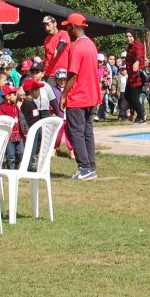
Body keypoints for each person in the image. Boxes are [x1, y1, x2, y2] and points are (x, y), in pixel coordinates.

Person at [61, 13, 101, 180]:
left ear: (73, 27)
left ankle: (84, 168)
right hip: (92, 95)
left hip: (78, 96)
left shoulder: (77, 47)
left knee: (76, 132)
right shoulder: (91, 44)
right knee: (87, 132)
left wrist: (63, 94)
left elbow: (73, 74)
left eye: (67, 26)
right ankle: (91, 167)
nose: (66, 30)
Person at [0, 84, 24, 170]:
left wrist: (25, 131)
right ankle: (11, 170)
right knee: (10, 155)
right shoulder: (1, 108)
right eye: (14, 94)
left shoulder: (16, 107)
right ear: (7, 96)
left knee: (20, 152)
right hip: (9, 136)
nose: (16, 96)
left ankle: (17, 167)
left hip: (18, 135)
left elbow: (21, 119)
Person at [19, 78, 44, 170]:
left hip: (35, 130)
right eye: (37, 90)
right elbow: (22, 118)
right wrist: (26, 130)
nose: (39, 92)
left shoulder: (32, 102)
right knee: (30, 149)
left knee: (34, 149)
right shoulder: (27, 103)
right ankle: (27, 166)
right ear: (31, 91)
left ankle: (31, 164)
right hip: (30, 131)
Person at [124, 29, 147, 123]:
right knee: (127, 96)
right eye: (127, 36)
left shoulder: (138, 45)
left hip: (137, 76)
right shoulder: (129, 47)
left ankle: (142, 116)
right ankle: (140, 114)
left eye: (130, 36)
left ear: (134, 36)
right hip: (131, 76)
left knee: (134, 97)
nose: (129, 38)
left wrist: (137, 62)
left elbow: (140, 55)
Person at [42, 15, 71, 85]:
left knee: (62, 95)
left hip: (62, 74)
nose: (47, 28)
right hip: (49, 75)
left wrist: (57, 50)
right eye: (44, 26)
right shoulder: (46, 40)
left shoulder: (63, 33)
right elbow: (47, 57)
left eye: (48, 25)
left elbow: (62, 42)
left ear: (55, 24)